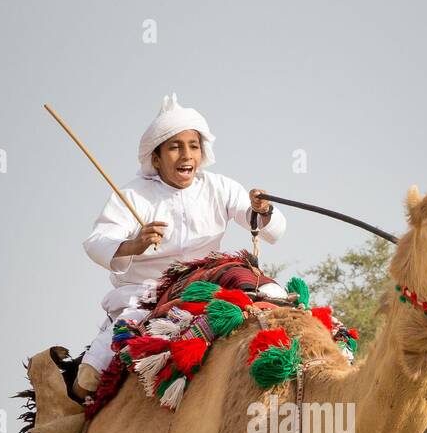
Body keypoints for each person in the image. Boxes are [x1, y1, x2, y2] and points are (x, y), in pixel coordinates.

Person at [74, 93, 286, 398]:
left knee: (274, 296)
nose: (186, 155)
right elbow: (97, 242)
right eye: (174, 147)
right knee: (90, 377)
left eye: (193, 146)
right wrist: (134, 244)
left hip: (207, 283)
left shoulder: (220, 187)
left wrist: (263, 209)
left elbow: (267, 228)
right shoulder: (132, 196)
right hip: (146, 295)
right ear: (156, 158)